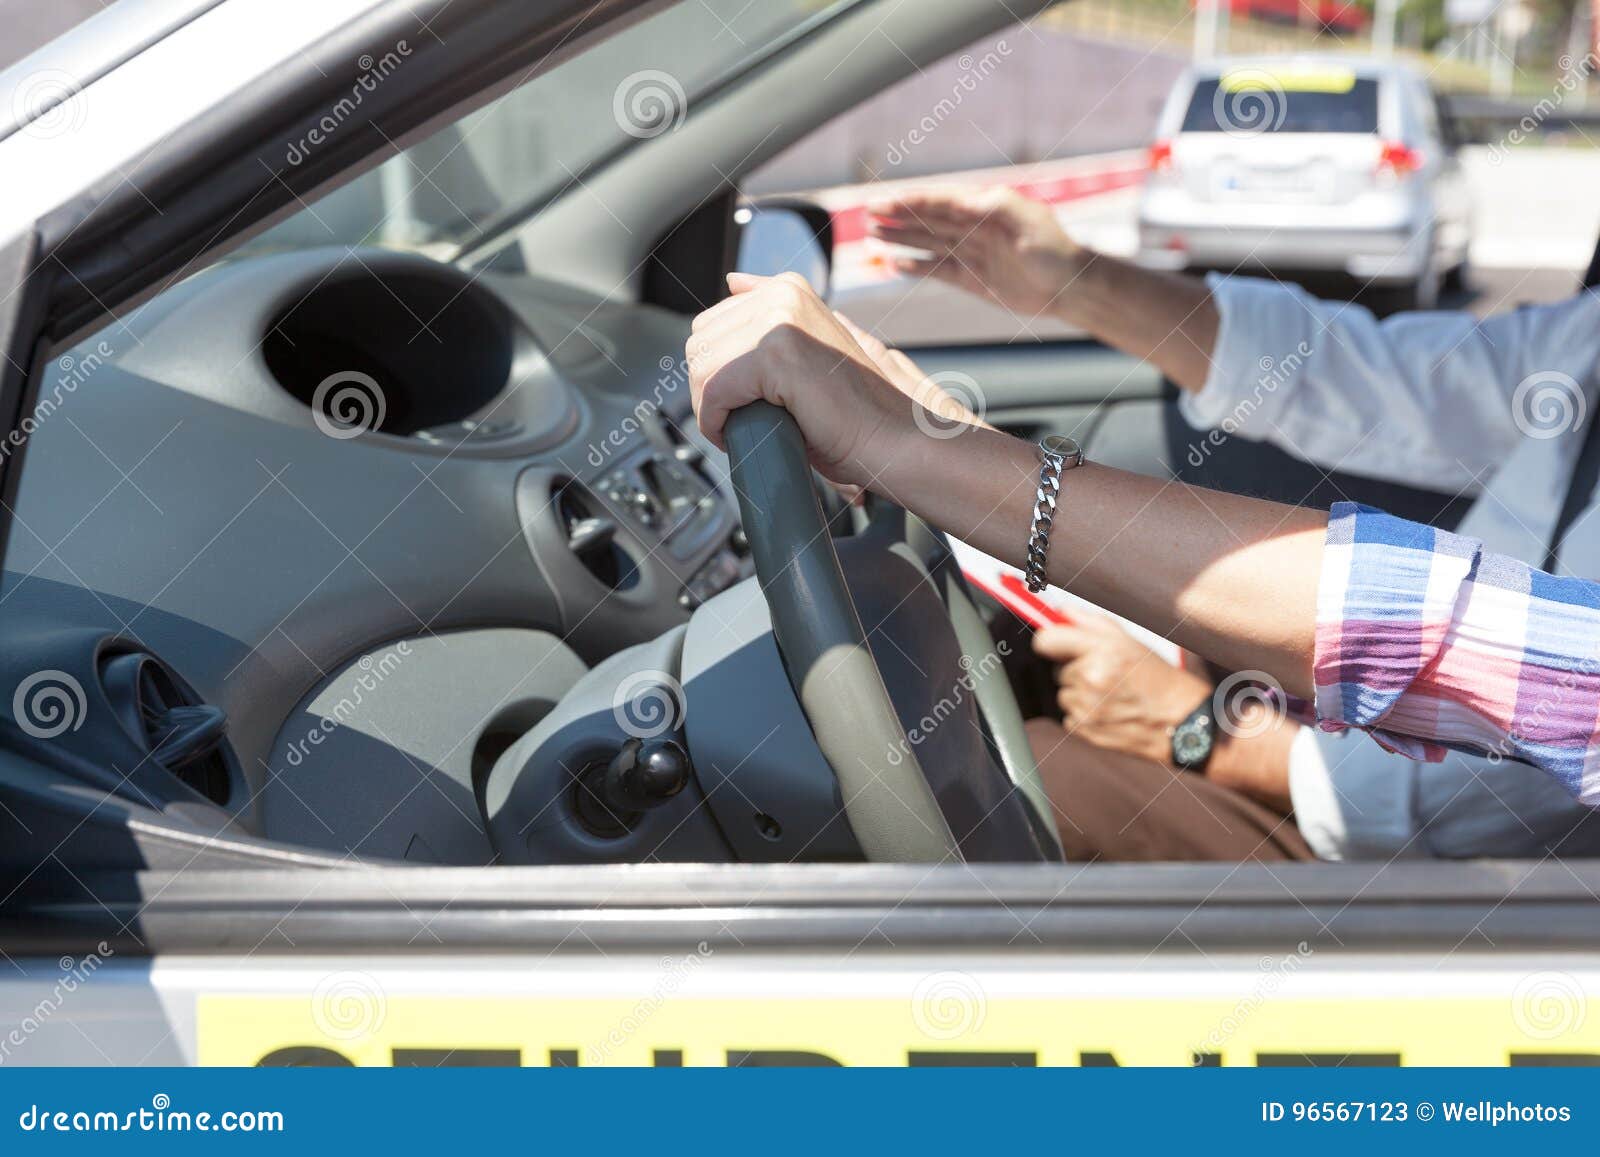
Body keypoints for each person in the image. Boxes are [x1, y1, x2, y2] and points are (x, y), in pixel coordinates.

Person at [685, 272, 1600, 854]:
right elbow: (1367, 378)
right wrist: (1052, 292)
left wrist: (1201, 729)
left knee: (1005, 795)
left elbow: (1562, 684)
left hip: (1461, 874)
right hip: (1351, 738)